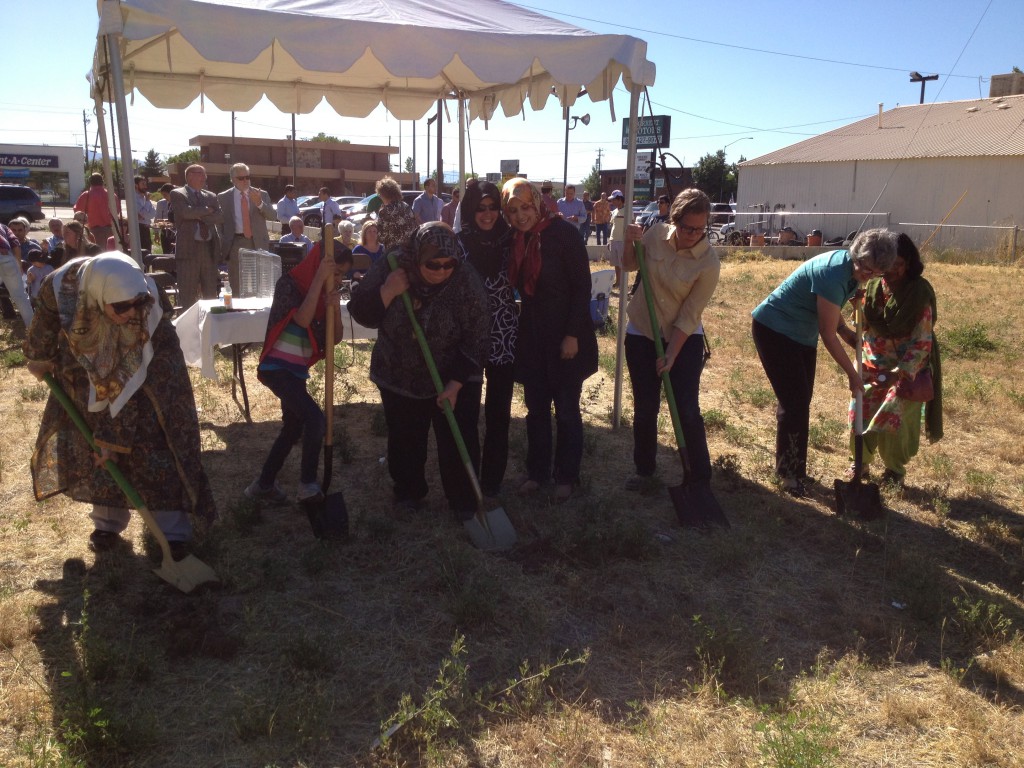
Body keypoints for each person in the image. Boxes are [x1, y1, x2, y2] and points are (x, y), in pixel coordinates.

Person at [24, 252, 216, 556]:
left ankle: (172, 533)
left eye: (137, 303)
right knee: (93, 440)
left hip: (151, 361)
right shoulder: (59, 288)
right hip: (85, 361)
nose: (131, 311)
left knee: (153, 440)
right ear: (99, 296)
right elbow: (45, 324)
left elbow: (124, 386)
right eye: (122, 306)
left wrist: (113, 439)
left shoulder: (142, 310)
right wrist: (39, 355)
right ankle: (107, 524)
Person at [349, 223, 489, 518]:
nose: (440, 271)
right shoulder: (392, 264)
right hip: (400, 369)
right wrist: (388, 291)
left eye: (447, 264)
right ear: (417, 257)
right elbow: (361, 311)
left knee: (458, 436)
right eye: (432, 264)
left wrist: (455, 384)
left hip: (455, 370)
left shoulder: (465, 278)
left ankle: (464, 500)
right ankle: (408, 492)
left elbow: (478, 335)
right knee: (405, 435)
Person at [751, 228, 897, 496]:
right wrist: (854, 376)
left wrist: (848, 334)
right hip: (775, 330)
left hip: (800, 335)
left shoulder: (850, 271)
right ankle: (788, 475)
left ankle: (796, 469)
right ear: (856, 256)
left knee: (801, 402)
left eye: (875, 273)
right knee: (794, 403)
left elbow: (829, 313)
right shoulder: (833, 273)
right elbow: (827, 334)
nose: (868, 276)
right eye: (866, 269)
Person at [501, 178, 598, 501]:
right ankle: (537, 472)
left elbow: (582, 288)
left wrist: (572, 334)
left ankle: (567, 476)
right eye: (512, 210)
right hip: (532, 336)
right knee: (536, 409)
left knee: (567, 410)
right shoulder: (516, 240)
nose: (520, 215)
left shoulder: (564, 235)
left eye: (525, 207)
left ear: (538, 204)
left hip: (567, 336)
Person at [621, 189, 719, 492]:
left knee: (687, 407)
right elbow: (628, 265)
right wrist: (630, 241)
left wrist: (672, 353)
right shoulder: (654, 235)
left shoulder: (709, 263)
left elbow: (690, 314)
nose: (694, 234)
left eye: (700, 229)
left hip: (683, 337)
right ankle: (645, 471)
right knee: (645, 406)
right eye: (688, 227)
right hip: (642, 330)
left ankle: (699, 477)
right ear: (674, 219)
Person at [245, 243, 353, 504]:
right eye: (334, 271)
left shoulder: (325, 293)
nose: (337, 279)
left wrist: (334, 308)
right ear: (319, 266)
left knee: (293, 427)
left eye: (341, 274)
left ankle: (262, 485)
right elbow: (302, 319)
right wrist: (318, 281)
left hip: (295, 371)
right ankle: (307, 485)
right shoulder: (289, 286)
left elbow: (334, 338)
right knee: (315, 420)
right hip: (277, 368)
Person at [843, 233, 943, 487]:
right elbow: (863, 326)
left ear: (909, 262)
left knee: (894, 420)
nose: (891, 271)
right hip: (871, 363)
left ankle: (894, 471)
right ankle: (860, 463)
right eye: (887, 265)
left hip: (905, 369)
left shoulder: (918, 293)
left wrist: (903, 370)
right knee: (860, 414)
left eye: (897, 264)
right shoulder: (874, 286)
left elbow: (922, 340)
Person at [458, 179, 518, 496]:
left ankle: (492, 481)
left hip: (504, 336)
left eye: (494, 207)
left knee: (498, 415)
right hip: (467, 340)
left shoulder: (511, 241)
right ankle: (469, 482)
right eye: (481, 207)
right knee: (467, 414)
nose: (488, 213)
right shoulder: (458, 243)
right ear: (470, 208)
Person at [170, 164, 223, 310]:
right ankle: (186, 329)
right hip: (188, 251)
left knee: (210, 295)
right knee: (187, 296)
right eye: (200, 174)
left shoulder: (211, 196)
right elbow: (185, 213)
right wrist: (207, 211)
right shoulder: (178, 194)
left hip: (208, 249)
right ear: (190, 176)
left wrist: (199, 215)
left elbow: (219, 216)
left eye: (204, 174)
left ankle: (210, 328)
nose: (204, 177)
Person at [218, 163, 276, 295]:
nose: (245, 181)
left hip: (257, 243)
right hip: (235, 243)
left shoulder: (261, 194)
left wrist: (259, 203)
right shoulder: (223, 197)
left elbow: (273, 216)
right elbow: (220, 224)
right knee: (237, 283)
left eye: (247, 177)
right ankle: (238, 312)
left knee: (259, 282)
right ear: (232, 179)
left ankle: (258, 312)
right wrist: (223, 243)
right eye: (241, 178)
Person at [0, 220, 33, 324]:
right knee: (20, 296)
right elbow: (15, 244)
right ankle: (33, 330)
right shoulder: (3, 227)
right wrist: (18, 266)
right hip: (6, 258)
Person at [375, 176, 417, 252]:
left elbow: (381, 237)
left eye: (380, 195)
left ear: (384, 194)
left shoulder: (384, 211)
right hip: (409, 251)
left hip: (393, 253)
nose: (380, 197)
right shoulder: (406, 206)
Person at [73, 172, 116, 247]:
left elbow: (78, 212)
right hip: (111, 230)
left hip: (93, 230)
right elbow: (117, 211)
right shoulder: (111, 195)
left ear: (90, 182)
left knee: (96, 253)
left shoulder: (86, 195)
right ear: (102, 182)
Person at [607, 189, 627, 288]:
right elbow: (612, 225)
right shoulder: (614, 211)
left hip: (622, 240)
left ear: (619, 199)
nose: (612, 202)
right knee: (616, 263)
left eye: (614, 200)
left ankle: (623, 282)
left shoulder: (627, 211)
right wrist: (609, 240)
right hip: (613, 239)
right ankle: (618, 281)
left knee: (622, 263)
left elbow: (631, 224)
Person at [133, 176, 156, 254]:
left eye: (145, 184)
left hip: (146, 227)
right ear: (136, 185)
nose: (145, 187)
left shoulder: (145, 197)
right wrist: (147, 201)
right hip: (139, 227)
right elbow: (144, 214)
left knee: (148, 251)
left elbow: (153, 213)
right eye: (143, 184)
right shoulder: (133, 198)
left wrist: (147, 200)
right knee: (142, 252)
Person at [154, 183, 176, 255]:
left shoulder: (178, 203)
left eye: (165, 195)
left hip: (175, 232)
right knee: (166, 253)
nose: (164, 197)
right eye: (163, 195)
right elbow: (157, 219)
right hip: (166, 232)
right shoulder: (161, 203)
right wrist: (156, 233)